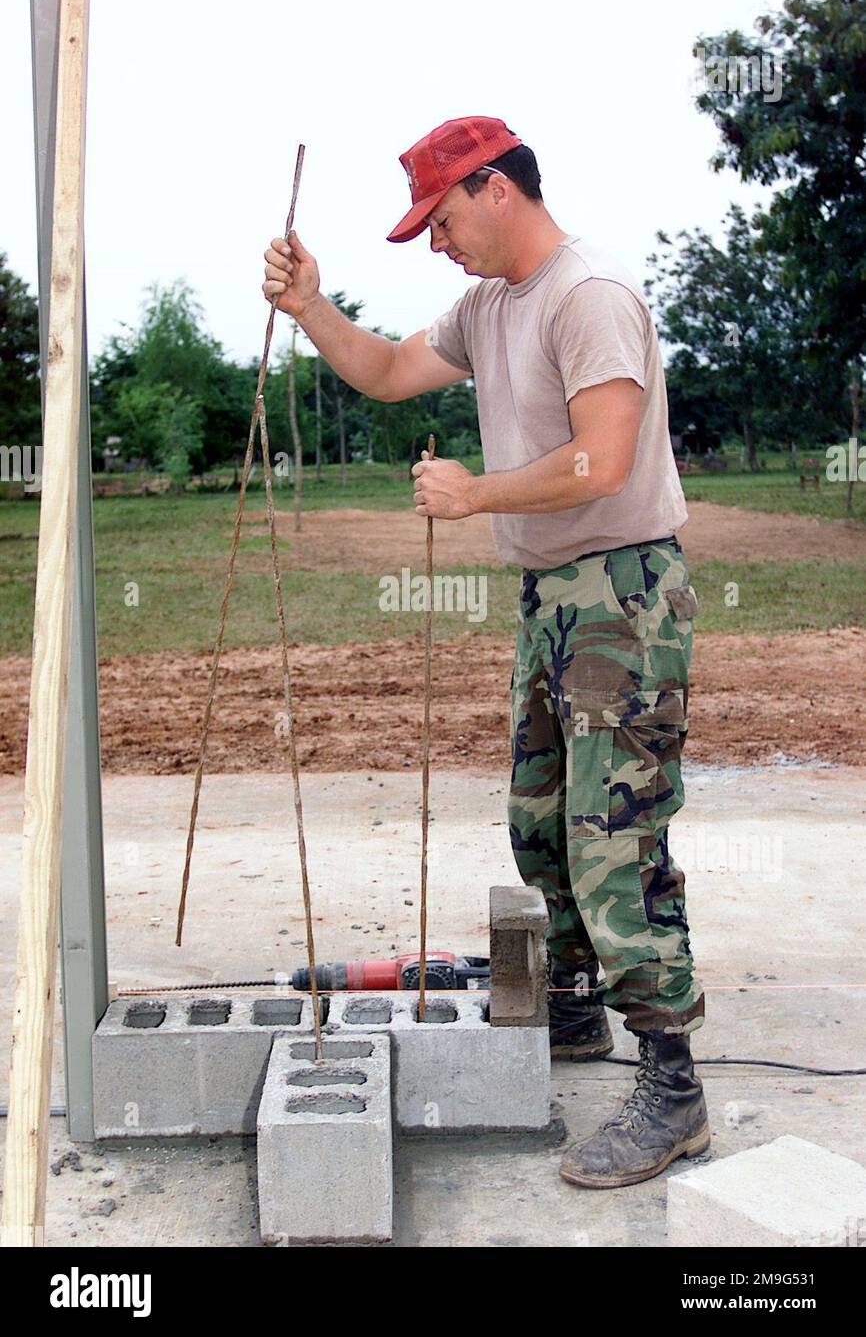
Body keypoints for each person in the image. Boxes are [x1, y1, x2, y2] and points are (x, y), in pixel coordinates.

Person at [262, 115, 708, 1188]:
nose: (436, 243)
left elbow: (600, 462)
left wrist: (473, 494)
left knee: (615, 837)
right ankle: (571, 1009)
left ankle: (673, 1087)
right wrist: (310, 303)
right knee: (541, 817)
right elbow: (381, 369)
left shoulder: (585, 295)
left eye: (443, 218)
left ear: (496, 188)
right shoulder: (486, 303)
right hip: (551, 595)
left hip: (621, 594)